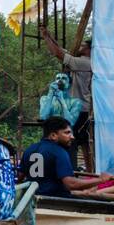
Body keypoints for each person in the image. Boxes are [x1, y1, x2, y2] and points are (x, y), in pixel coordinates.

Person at [19, 117, 114, 198]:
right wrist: (101, 180)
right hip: (55, 199)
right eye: (67, 133)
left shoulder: (29, 149)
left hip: (31, 198)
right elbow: (71, 184)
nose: (72, 137)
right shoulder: (59, 152)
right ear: (53, 135)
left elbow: (20, 177)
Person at [41, 30, 93, 169]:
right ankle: (87, 171)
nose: (80, 47)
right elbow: (58, 50)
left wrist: (46, 37)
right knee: (84, 143)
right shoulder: (82, 61)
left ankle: (71, 170)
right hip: (82, 108)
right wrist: (49, 37)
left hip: (79, 109)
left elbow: (59, 54)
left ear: (88, 50)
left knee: (72, 141)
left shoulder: (84, 62)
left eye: (83, 46)